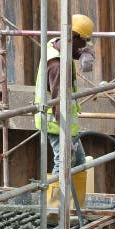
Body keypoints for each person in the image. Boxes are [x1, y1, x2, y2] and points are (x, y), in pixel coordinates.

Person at [34, 14, 94, 177]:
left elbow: (74, 50)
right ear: (73, 37)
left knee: (79, 161)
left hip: (64, 122)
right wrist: (66, 136)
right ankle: (56, 202)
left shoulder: (56, 45)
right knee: (64, 162)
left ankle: (75, 201)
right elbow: (58, 103)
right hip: (56, 123)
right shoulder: (57, 65)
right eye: (84, 41)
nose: (86, 45)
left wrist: (84, 53)